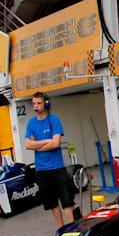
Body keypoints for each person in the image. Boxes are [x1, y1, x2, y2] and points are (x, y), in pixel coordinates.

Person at [25, 92, 75, 227]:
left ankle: (73, 229)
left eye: (39, 103)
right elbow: (28, 145)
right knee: (52, 203)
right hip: (42, 170)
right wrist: (47, 141)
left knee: (67, 201)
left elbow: (56, 143)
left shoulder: (54, 120)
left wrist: (37, 145)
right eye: (34, 103)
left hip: (57, 168)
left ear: (46, 104)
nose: (36, 106)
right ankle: (61, 230)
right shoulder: (31, 123)